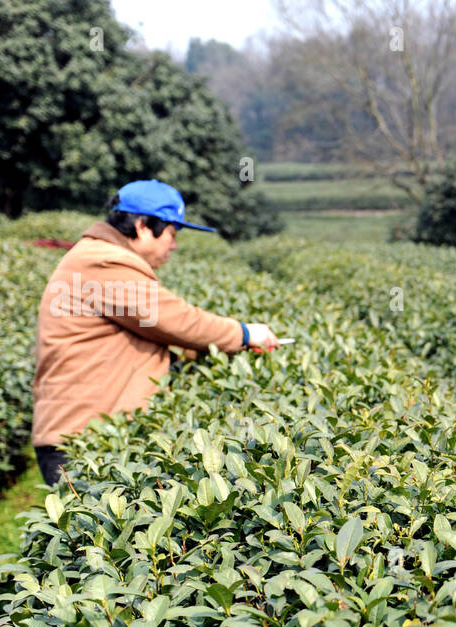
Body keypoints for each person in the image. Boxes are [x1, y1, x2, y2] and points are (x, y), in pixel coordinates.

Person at [31, 179, 282, 485]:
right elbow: (174, 321)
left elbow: (154, 336)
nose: (174, 245)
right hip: (81, 439)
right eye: (172, 234)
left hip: (86, 432)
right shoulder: (103, 260)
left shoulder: (97, 256)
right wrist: (243, 333)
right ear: (141, 227)